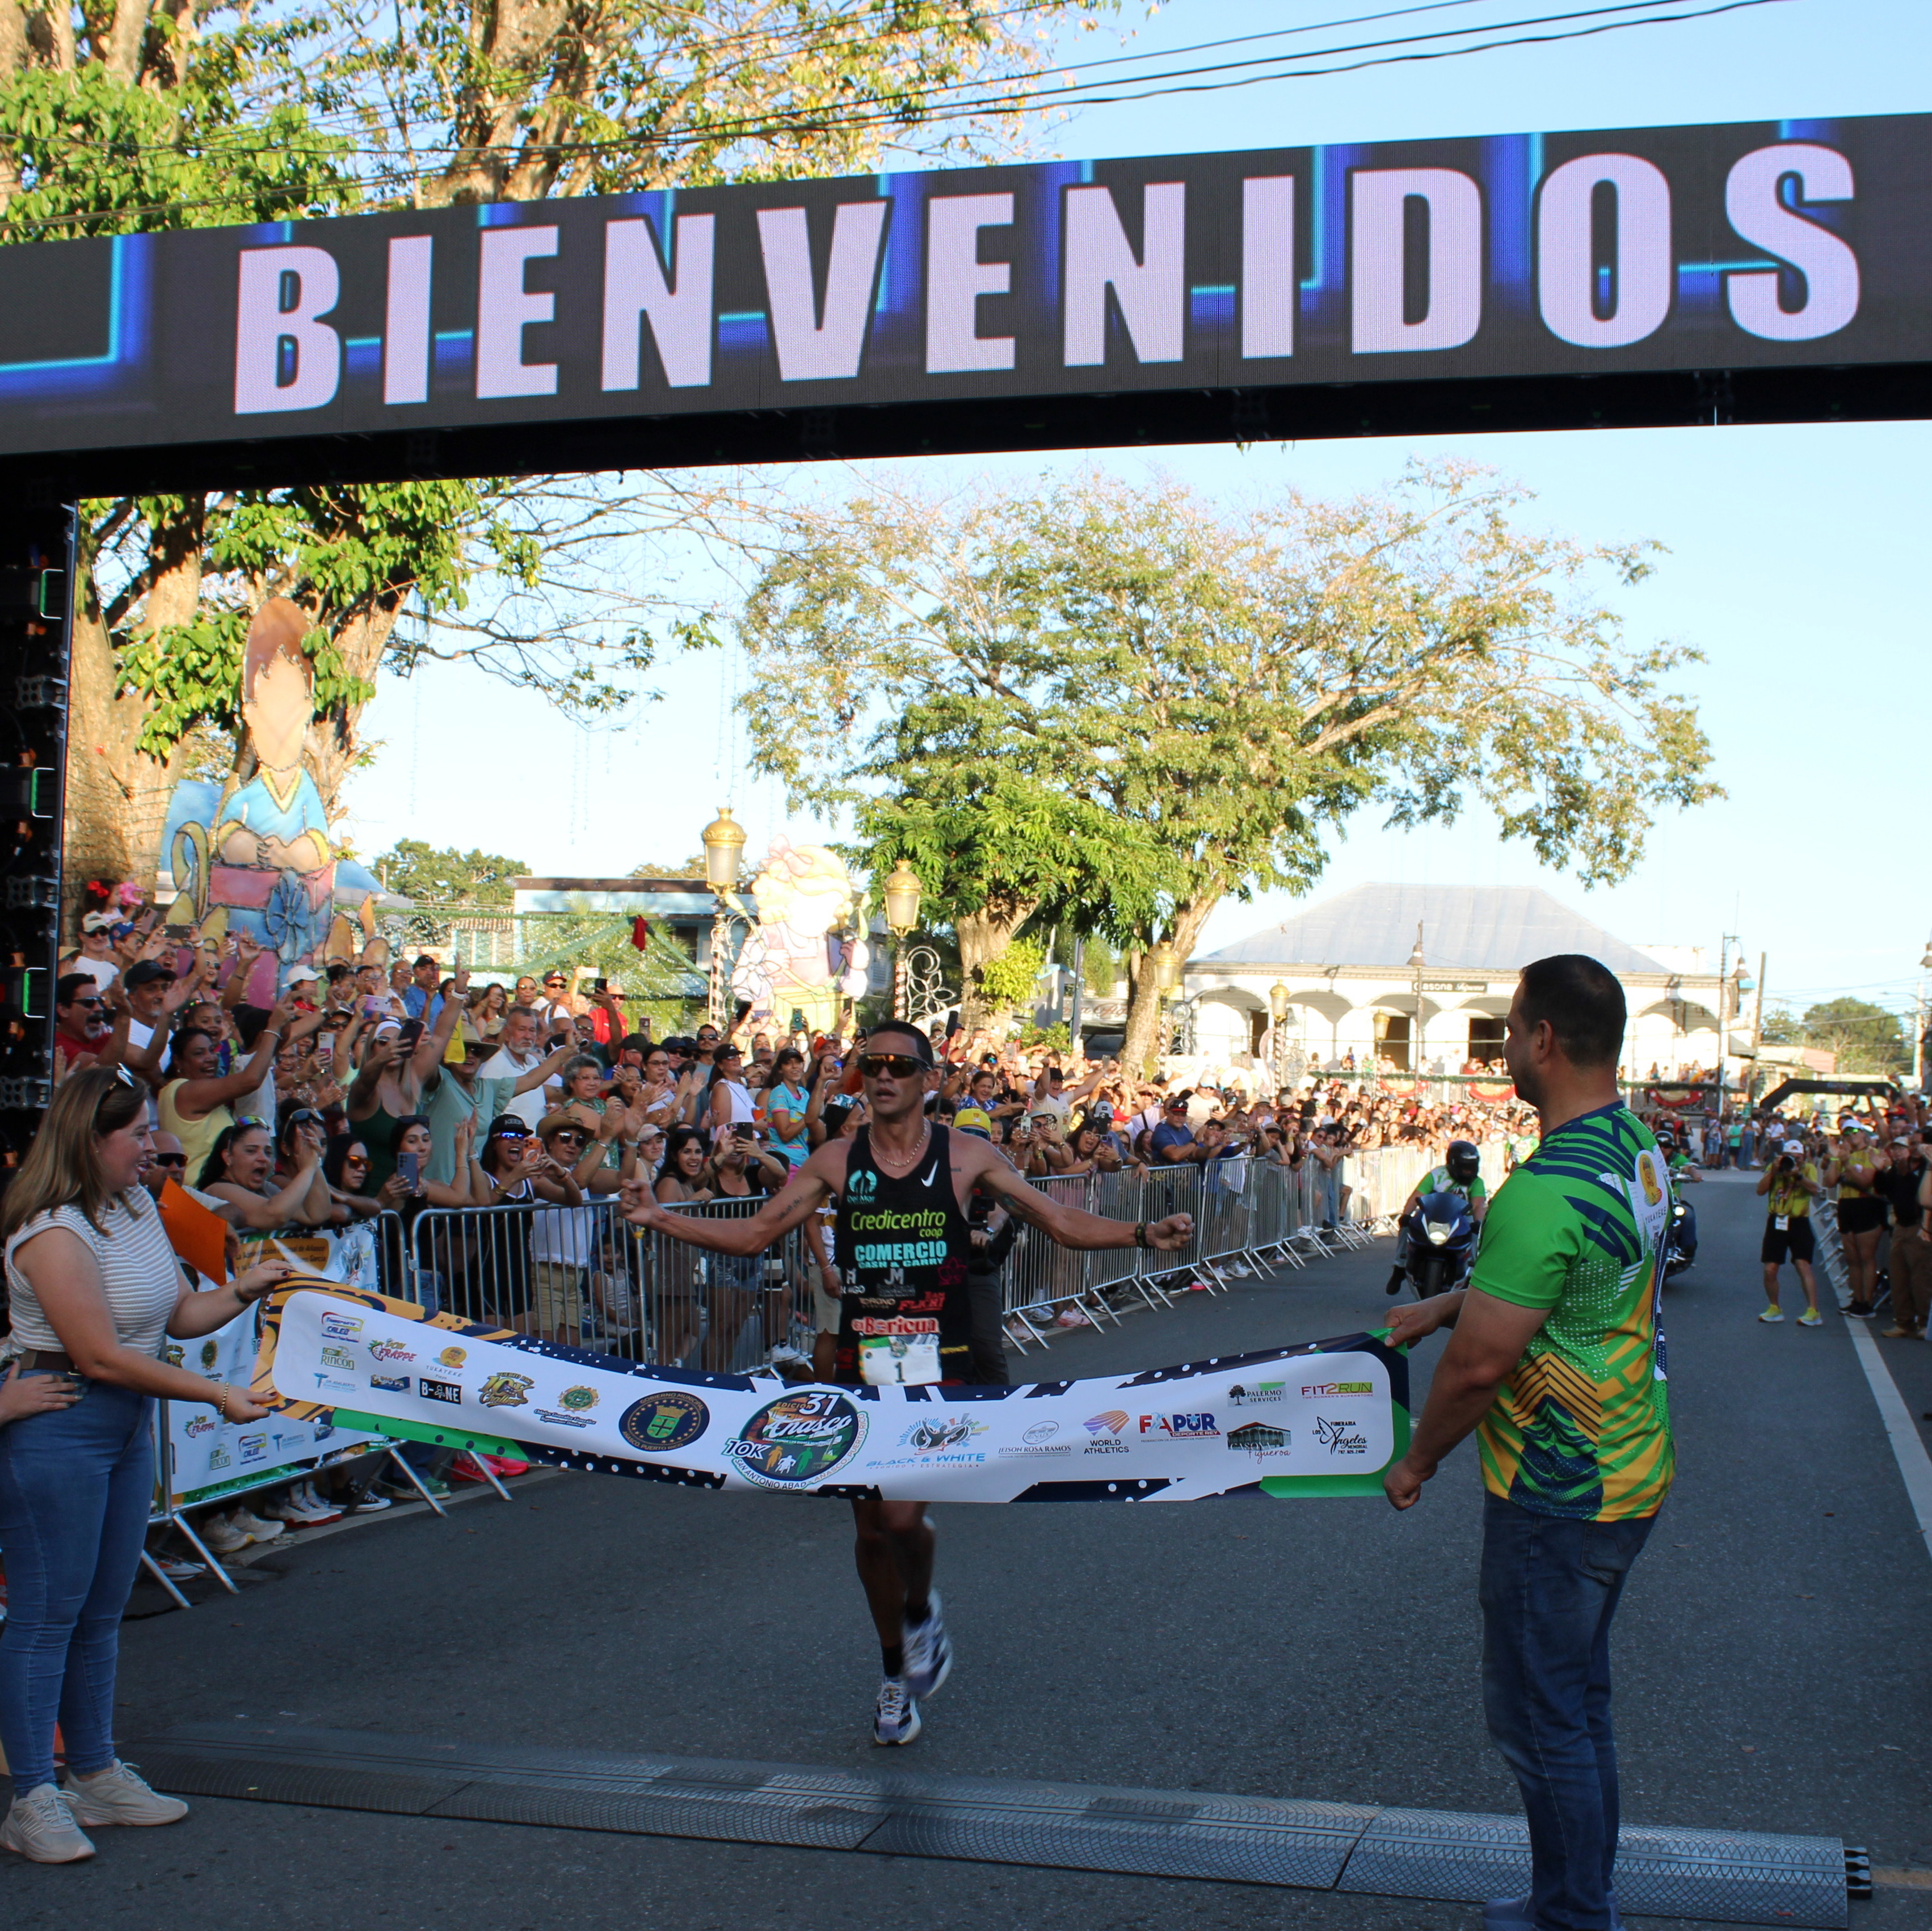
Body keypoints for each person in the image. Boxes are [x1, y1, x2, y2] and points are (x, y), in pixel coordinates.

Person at [621, 1018, 1193, 1748]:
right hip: (865, 1359)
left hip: (940, 1358)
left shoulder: (967, 1155)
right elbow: (754, 1234)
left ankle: (921, 1612)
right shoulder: (835, 1159)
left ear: (928, 1079)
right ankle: (895, 1671)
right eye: (872, 1064)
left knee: (898, 1519)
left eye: (900, 1064)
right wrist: (659, 1216)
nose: (884, 1074)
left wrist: (1143, 1235)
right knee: (867, 1531)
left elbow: (1056, 1218)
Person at [1382, 956, 1672, 1931]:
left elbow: (1478, 1367)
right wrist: (1445, 1299)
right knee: (1578, 1705)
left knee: (1543, 1718)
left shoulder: (1542, 1186)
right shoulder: (1632, 1146)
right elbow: (1577, 1283)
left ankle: (1576, 1914)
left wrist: (1415, 1460)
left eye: (1507, 1026)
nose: (1504, 1043)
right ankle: (1574, 1896)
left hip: (1560, 1487)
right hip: (1627, 1463)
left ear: (1545, 1036)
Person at [0, 1066, 293, 1863]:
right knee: (44, 1615)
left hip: (127, 1426)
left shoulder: (137, 1206)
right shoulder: (54, 1231)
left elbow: (178, 1316)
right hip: (62, 1424)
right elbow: (97, 1355)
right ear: (91, 1141)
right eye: (138, 1138)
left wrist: (243, 1289)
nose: (155, 1150)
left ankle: (94, 1770)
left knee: (100, 1610)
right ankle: (32, 1794)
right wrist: (214, 1395)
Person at [1385, 1137, 1488, 1295]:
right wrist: (1406, 1215)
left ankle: (1472, 1271)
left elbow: (1478, 1204)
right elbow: (1417, 1195)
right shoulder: (1437, 1175)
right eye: (1464, 1167)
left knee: (1476, 1235)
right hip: (1433, 1217)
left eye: (1471, 1168)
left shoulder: (1477, 1182)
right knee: (1408, 1225)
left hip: (1462, 1220)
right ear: (1453, 1163)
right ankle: (1399, 1266)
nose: (1468, 1171)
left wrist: (1478, 1223)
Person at [1756, 1137, 1825, 1326]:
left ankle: (1813, 1311)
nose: (1793, 1160)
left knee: (1803, 1265)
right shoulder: (1775, 1169)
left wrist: (1798, 1175)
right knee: (1770, 1268)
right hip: (1777, 1221)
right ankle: (1774, 1307)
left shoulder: (1808, 1169)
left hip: (1799, 1221)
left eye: (1797, 1157)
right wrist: (1774, 1172)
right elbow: (1760, 1191)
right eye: (1789, 1157)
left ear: (1803, 1157)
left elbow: (1816, 1189)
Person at [1825, 1127, 1884, 1320]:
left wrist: (1847, 1163)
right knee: (1851, 1258)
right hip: (1847, 1205)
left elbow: (1865, 1182)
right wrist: (1836, 1159)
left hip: (1866, 1205)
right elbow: (1829, 1182)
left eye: (1855, 1132)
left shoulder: (1872, 1153)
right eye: (1847, 1133)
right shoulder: (1844, 1154)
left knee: (1866, 1257)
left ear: (1864, 1135)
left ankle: (1867, 1303)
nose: (1851, 1136)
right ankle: (1857, 1300)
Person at [1874, 1137, 1931, 1339]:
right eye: (1895, 1149)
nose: (1898, 1152)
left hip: (1920, 1226)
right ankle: (1903, 1322)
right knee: (1898, 1277)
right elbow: (1883, 1190)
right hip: (1900, 1226)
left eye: (1903, 1148)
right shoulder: (1897, 1170)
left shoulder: (1926, 1166)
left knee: (1920, 1278)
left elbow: (1923, 1198)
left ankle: (1924, 1323)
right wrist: (1880, 1170)